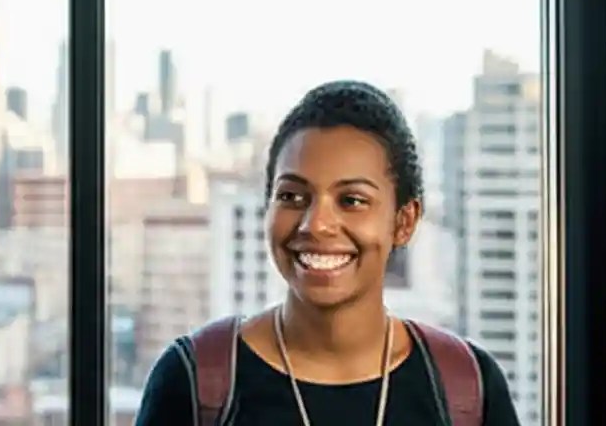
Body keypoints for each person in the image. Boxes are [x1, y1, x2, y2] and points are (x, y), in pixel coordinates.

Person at [135, 80, 521, 426]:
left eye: (351, 200)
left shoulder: (469, 389)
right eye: (291, 196)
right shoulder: (195, 381)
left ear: (404, 221)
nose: (315, 224)